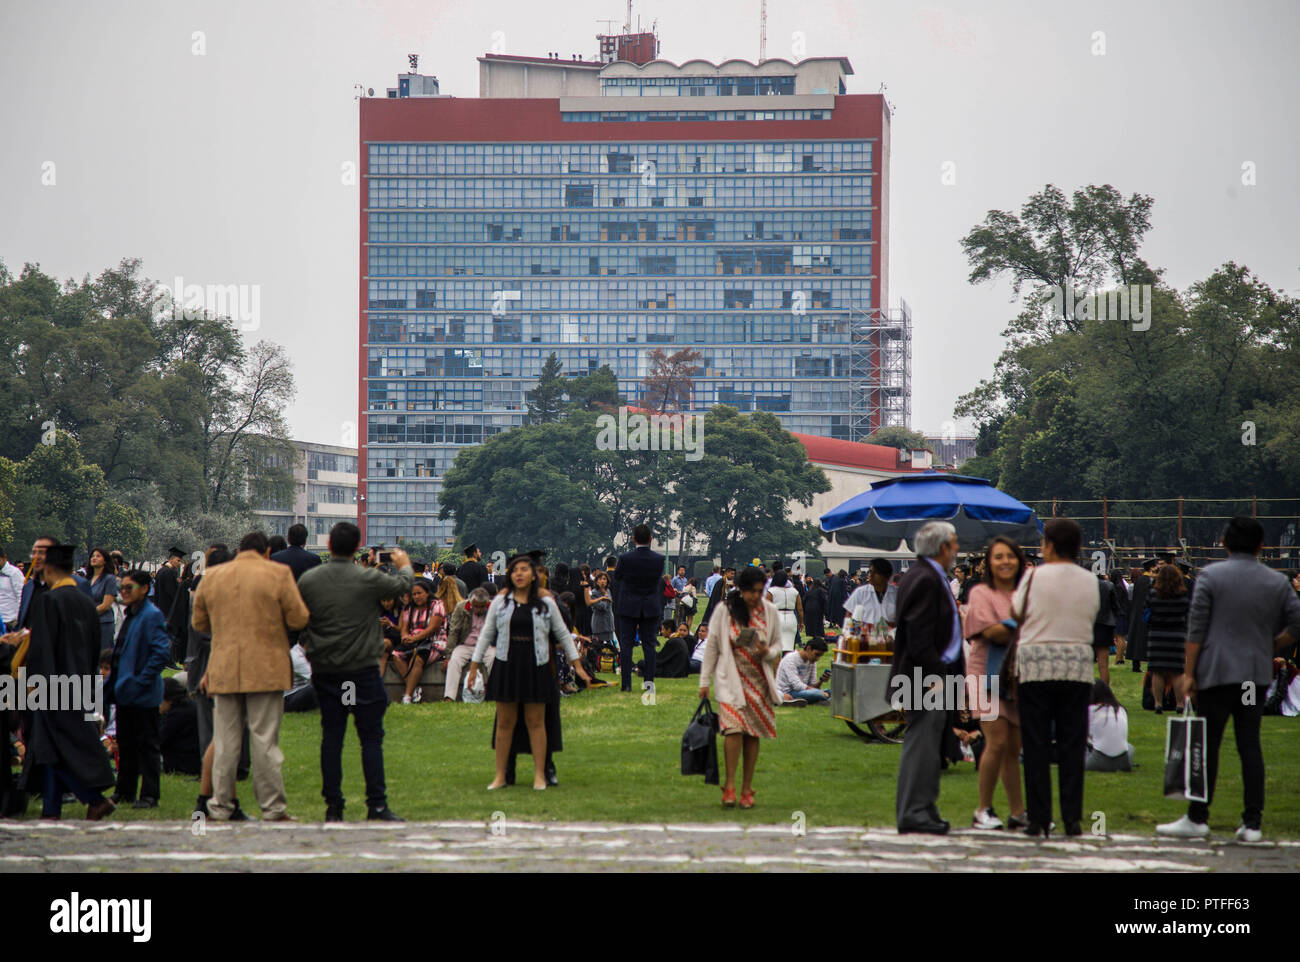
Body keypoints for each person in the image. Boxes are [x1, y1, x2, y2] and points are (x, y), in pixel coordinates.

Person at [1158, 517, 1300, 842]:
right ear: (1261, 545)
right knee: (1249, 743)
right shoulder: (1276, 581)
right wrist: (1272, 644)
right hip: (1252, 677)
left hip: (1216, 675)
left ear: (1224, 543)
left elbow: (1196, 629)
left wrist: (1188, 673)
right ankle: (1252, 822)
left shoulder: (1210, 576)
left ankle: (1197, 817)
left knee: (1207, 744)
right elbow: (1296, 621)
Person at [192, 531, 310, 822]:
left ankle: (219, 805)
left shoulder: (213, 575)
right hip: (267, 668)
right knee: (264, 741)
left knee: (225, 740)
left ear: (239, 548)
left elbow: (199, 623)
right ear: (266, 551)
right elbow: (299, 619)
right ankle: (272, 808)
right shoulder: (278, 574)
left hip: (224, 667)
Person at [296, 522, 410, 821]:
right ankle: (377, 804)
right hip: (361, 670)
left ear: (330, 544)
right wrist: (404, 565)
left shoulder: (310, 580)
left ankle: (334, 806)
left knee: (332, 737)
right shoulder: (368, 578)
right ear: (357, 546)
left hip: (327, 669)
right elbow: (403, 587)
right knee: (371, 738)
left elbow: (297, 618)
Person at [467, 553, 590, 791]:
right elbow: (486, 634)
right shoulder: (501, 602)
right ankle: (501, 775)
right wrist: (473, 666)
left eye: (525, 569)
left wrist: (577, 665)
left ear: (534, 574)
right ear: (510, 575)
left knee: (536, 722)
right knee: (504, 722)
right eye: (515, 570)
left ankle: (540, 775)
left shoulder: (545, 603)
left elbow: (563, 634)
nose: (520, 574)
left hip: (537, 665)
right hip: (507, 664)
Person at [15, 544, 117, 821]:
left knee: (50, 747)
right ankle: (51, 810)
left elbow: (43, 648)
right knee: (51, 749)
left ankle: (93, 799)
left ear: (48, 570)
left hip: (52, 686)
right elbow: (96, 646)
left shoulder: (49, 601)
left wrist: (33, 685)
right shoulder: (86, 603)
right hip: (81, 681)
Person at [1011, 519, 1098, 838]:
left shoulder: (1033, 577)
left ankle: (1038, 818)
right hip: (1076, 667)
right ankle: (1072, 818)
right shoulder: (1089, 580)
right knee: (1072, 744)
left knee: (1035, 744)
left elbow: (1017, 611)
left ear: (1048, 545)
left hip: (1036, 667)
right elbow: (1091, 613)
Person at [891, 521, 966, 835]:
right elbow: (919, 636)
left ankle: (924, 805)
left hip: (930, 673)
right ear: (942, 547)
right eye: (954, 543)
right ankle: (914, 810)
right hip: (926, 676)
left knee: (929, 742)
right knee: (922, 743)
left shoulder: (925, 575)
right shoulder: (925, 578)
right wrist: (936, 674)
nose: (957, 549)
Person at [698, 566, 782, 809]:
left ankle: (747, 787)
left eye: (759, 591)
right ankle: (730, 785)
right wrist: (704, 681)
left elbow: (778, 644)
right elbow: (712, 645)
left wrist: (768, 652)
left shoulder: (770, 612)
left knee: (753, 733)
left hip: (759, 680)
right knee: (732, 730)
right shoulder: (725, 611)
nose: (756, 596)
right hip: (730, 679)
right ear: (741, 590)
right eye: (751, 591)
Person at [963, 535, 1028, 831]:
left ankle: (1018, 812)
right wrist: (1022, 620)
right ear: (988, 563)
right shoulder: (981, 593)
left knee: (1014, 747)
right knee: (997, 740)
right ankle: (982, 809)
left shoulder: (1026, 593)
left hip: (1016, 677)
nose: (1005, 562)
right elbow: (994, 633)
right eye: (998, 556)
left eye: (1010, 556)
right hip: (983, 676)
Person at [106, 568, 171, 808]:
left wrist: (141, 680)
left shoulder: (151, 615)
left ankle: (149, 795)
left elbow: (161, 652)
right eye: (121, 588)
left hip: (142, 694)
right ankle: (124, 790)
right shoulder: (132, 613)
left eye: (129, 588)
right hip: (126, 692)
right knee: (127, 744)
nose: (124, 592)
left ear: (144, 589)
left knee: (148, 746)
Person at [612, 523, 665, 694]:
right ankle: (649, 683)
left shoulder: (625, 558)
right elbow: (657, 579)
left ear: (633, 539)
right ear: (650, 539)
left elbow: (618, 576)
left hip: (628, 605)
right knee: (649, 645)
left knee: (626, 644)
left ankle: (626, 684)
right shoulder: (658, 559)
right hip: (650, 605)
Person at [1144, 565, 1191, 714]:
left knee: (1157, 671)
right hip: (1177, 635)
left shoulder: (1153, 593)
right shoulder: (1183, 595)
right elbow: (1187, 613)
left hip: (1157, 635)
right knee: (1178, 671)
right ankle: (1179, 703)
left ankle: (1158, 703)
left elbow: (1146, 612)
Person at [389, 578, 442, 704]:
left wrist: (413, 638)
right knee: (396, 655)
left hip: (431, 641)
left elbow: (433, 629)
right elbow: (404, 627)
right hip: (413, 640)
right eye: (414, 594)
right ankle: (413, 688)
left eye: (419, 593)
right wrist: (404, 637)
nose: (416, 596)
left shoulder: (437, 606)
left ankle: (408, 695)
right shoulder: (408, 608)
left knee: (416, 658)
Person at [444, 588, 494, 701]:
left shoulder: (493, 608)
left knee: (494, 660)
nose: (479, 609)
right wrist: (447, 655)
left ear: (486, 603)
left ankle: (495, 696)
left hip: (487, 645)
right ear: (471, 603)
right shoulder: (461, 608)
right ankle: (449, 697)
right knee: (454, 660)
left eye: (482, 606)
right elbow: (454, 631)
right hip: (465, 644)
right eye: (476, 606)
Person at [1085, 681, 1134, 772]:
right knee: (1130, 747)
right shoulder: (1121, 709)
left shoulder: (1090, 710)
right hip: (1123, 761)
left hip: (1098, 760)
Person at [159, 677, 202, 776]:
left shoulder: (177, 715)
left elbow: (159, 739)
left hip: (182, 764)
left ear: (168, 700)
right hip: (193, 760)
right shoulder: (190, 706)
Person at [153, 547, 186, 665]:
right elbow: (172, 593)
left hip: (160, 607)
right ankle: (169, 661)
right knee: (168, 635)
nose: (179, 563)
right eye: (178, 560)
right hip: (167, 609)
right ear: (171, 560)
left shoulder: (161, 571)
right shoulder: (169, 573)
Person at [776, 636, 831, 704]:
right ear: (808, 649)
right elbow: (796, 685)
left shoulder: (812, 662)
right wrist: (819, 692)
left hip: (804, 691)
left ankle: (824, 699)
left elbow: (812, 685)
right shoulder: (790, 659)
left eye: (820, 656)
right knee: (817, 694)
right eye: (816, 654)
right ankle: (825, 699)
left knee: (833, 691)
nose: (817, 659)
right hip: (789, 692)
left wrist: (821, 681)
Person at [1126, 559, 1158, 673]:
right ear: (1151, 568)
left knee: (1136, 640)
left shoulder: (1138, 581)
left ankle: (1136, 665)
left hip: (1136, 612)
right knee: (1145, 640)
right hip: (1146, 612)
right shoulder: (1151, 581)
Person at [86, 548, 119, 654]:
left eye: (98, 556)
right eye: (93, 556)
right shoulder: (88, 580)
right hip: (88, 624)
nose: (94, 558)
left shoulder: (109, 579)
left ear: (105, 561)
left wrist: (86, 614)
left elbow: (106, 605)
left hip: (103, 623)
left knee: (102, 658)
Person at [1092, 569, 1122, 685]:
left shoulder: (1085, 585)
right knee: (1103, 663)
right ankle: (1105, 691)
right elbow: (1116, 606)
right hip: (1105, 625)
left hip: (1090, 623)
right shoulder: (1109, 586)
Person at [766, 570, 803, 653]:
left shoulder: (771, 591)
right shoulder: (794, 591)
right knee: (789, 648)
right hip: (791, 619)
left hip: (777, 618)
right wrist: (801, 622)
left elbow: (766, 608)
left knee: (775, 648)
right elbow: (800, 610)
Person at [0, 545, 23, 631]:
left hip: (11, 621)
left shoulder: (14, 573)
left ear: (4, 558)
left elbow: (21, 595)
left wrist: (19, 619)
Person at [1110, 569, 1131, 664]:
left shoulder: (1117, 588)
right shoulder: (1122, 587)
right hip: (1124, 614)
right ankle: (1121, 658)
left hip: (1119, 614)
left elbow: (1116, 602)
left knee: (1119, 638)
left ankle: (1118, 658)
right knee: (1121, 637)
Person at [802, 577, 828, 642]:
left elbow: (804, 600)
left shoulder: (810, 590)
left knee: (810, 623)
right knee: (818, 623)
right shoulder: (821, 590)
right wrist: (825, 610)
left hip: (808, 608)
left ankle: (811, 633)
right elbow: (824, 600)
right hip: (817, 608)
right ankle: (819, 634)